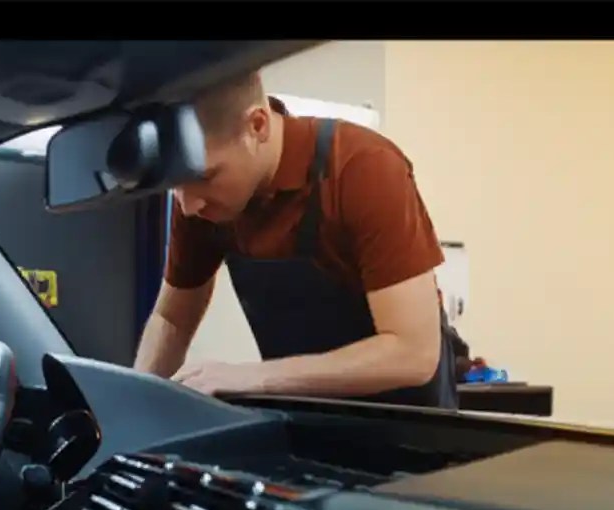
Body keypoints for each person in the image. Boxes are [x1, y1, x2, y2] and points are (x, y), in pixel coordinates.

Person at [133, 71, 458, 409]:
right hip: (302, 419)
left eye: (206, 176)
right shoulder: (198, 202)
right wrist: (132, 408)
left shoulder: (362, 168)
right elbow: (172, 319)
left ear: (257, 125)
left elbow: (412, 353)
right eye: (176, 187)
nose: (188, 205)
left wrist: (251, 377)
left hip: (407, 427)